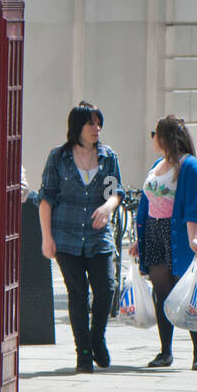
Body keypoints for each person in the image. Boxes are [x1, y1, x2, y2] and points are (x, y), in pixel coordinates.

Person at [39, 101, 123, 373]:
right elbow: (46, 198)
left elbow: (114, 193)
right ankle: (83, 353)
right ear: (77, 127)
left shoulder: (108, 157)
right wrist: (46, 237)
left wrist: (107, 207)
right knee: (77, 294)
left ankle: (97, 337)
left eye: (99, 123)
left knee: (106, 289)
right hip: (66, 237)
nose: (96, 129)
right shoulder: (58, 158)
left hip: (98, 237)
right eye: (91, 124)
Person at [132, 115, 197, 370]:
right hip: (154, 233)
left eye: (156, 133)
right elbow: (147, 202)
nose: (153, 138)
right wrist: (138, 240)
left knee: (187, 295)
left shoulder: (190, 167)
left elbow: (194, 208)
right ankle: (166, 352)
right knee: (162, 294)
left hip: (177, 235)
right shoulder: (157, 164)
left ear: (164, 138)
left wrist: (193, 238)